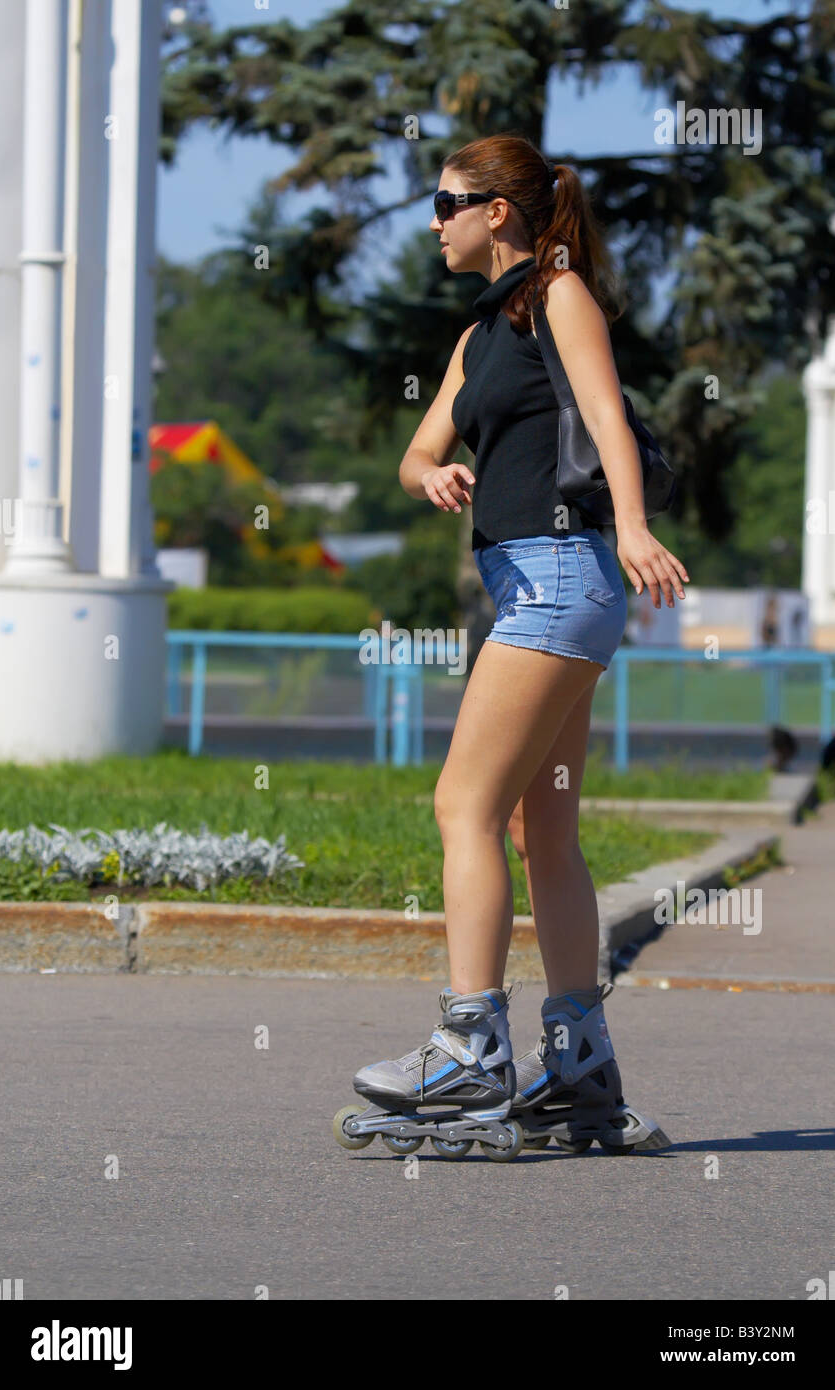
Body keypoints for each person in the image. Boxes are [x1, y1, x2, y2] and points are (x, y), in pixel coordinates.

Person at [334, 133, 689, 1160]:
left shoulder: (558, 294)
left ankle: (470, 1053)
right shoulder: (480, 331)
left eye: (447, 202)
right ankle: (580, 1069)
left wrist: (629, 525)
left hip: (562, 577)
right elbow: (419, 450)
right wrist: (429, 479)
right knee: (543, 831)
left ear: (499, 211)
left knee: (462, 805)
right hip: (529, 586)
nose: (433, 219)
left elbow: (608, 418)